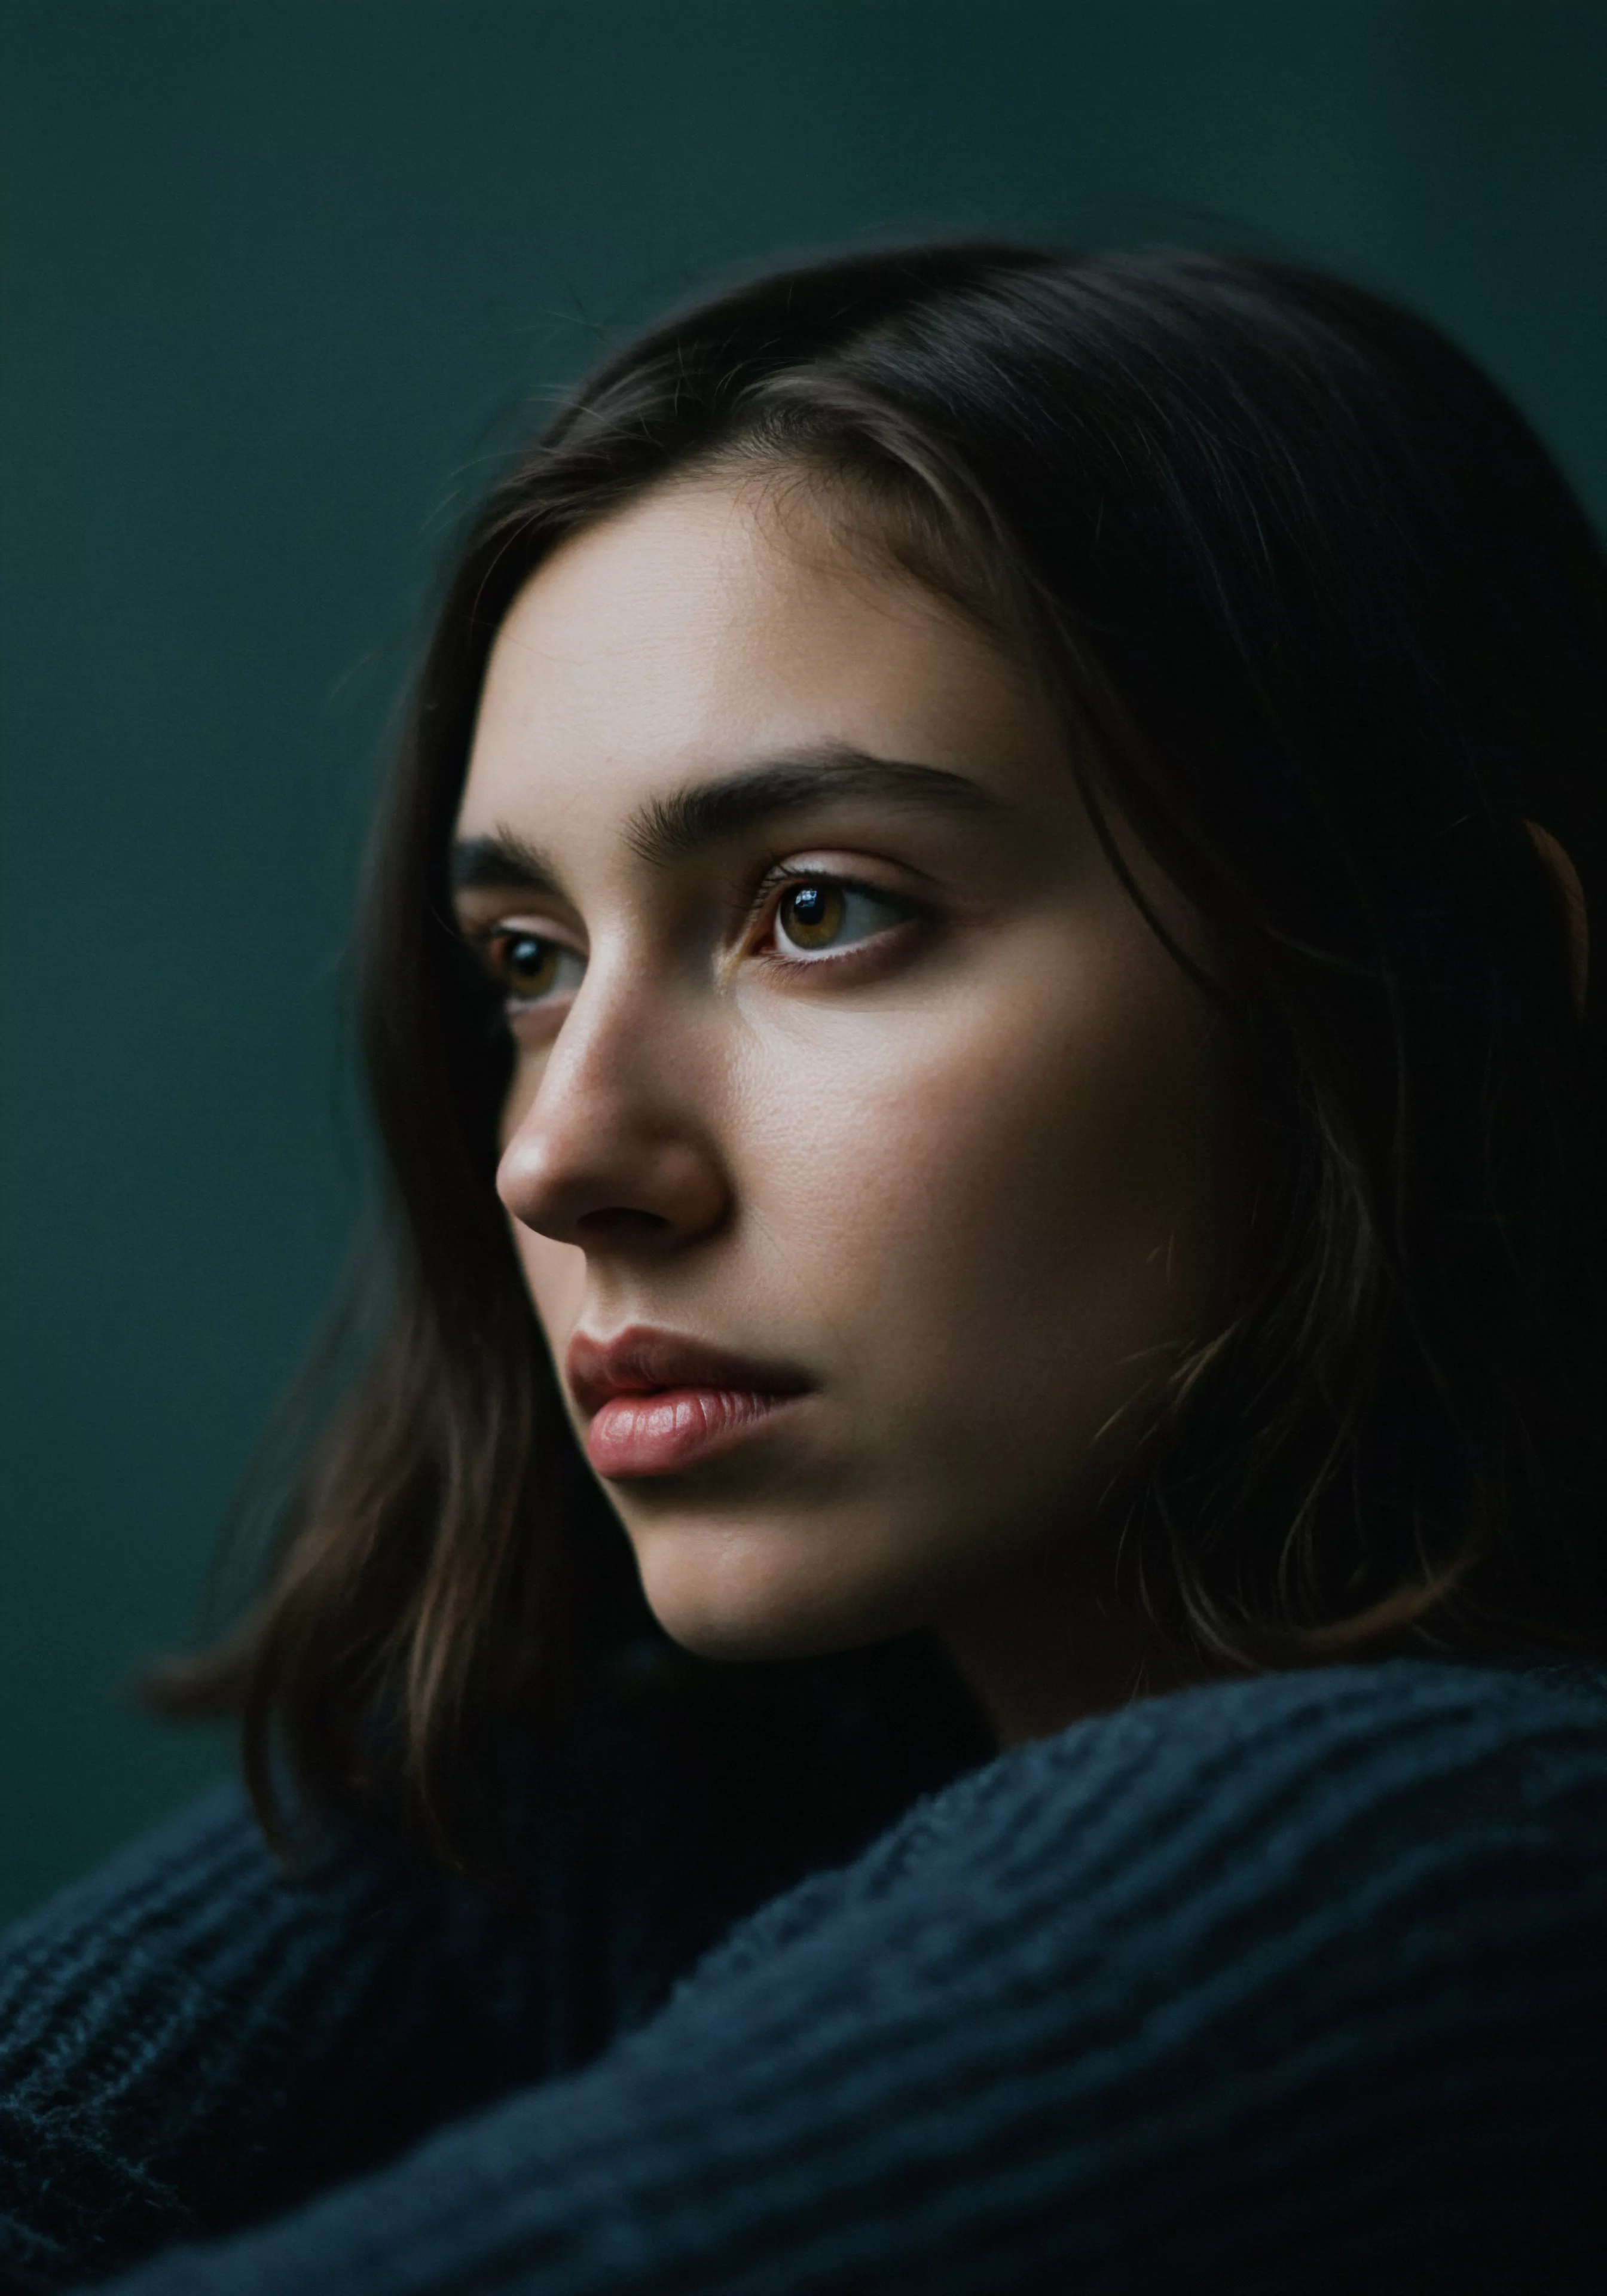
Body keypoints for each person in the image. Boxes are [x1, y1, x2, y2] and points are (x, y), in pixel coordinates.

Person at [2, 241, 1605, 2295]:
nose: (563, 1159)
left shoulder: (1467, 1860)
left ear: (1438, 996)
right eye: (527, 962)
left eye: (822, 909)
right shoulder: (591, 1815)